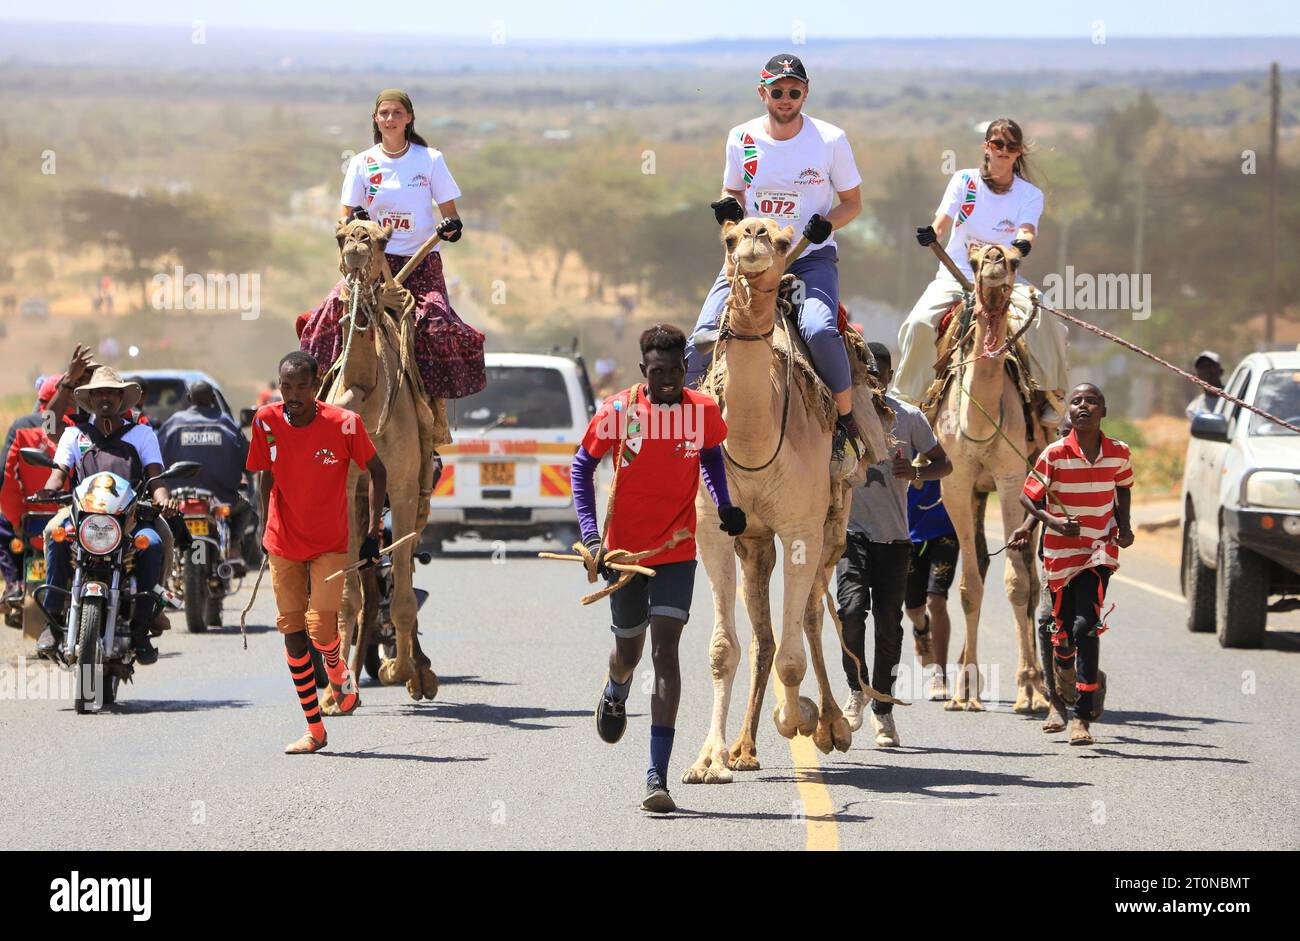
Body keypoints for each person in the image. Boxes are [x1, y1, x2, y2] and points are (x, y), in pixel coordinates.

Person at [571, 324, 745, 813]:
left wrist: (724, 503)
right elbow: (581, 467)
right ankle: (615, 689)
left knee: (666, 651)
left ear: (685, 370)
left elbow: (711, 458)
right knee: (629, 651)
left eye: (675, 371)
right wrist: (591, 536)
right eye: (657, 371)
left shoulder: (702, 411)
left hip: (676, 549)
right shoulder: (619, 412)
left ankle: (657, 775)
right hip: (624, 556)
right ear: (642, 370)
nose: (668, 380)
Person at [684, 54, 865, 476]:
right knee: (702, 338)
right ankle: (684, 433)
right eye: (778, 91)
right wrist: (728, 209)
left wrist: (826, 225)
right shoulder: (741, 137)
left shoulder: (831, 139)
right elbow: (733, 193)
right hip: (750, 257)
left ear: (806, 92)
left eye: (794, 91)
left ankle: (845, 422)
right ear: (762, 92)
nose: (786, 99)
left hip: (806, 257)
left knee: (819, 329)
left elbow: (852, 203)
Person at [300, 88, 485, 406]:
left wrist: (450, 229)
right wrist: (354, 225)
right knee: (326, 319)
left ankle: (432, 423)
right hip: (372, 265)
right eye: (384, 113)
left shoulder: (430, 160)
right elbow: (345, 222)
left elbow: (452, 219)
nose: (390, 119)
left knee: (436, 327)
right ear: (375, 118)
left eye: (397, 113)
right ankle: (317, 404)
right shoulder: (361, 163)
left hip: (421, 263)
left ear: (409, 118)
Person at [247, 351, 387, 754]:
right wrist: (262, 527)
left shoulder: (345, 424)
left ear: (317, 384)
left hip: (329, 543)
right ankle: (315, 729)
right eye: (285, 387)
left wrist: (374, 531)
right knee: (292, 636)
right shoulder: (265, 422)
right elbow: (264, 478)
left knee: (322, 629)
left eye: (301, 387)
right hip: (283, 542)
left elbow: (377, 472)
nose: (292, 395)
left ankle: (339, 673)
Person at [892, 119, 1068, 420]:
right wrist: (932, 233)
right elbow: (943, 220)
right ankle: (908, 399)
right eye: (997, 144)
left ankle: (1050, 397)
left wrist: (1020, 248)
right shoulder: (964, 181)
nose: (1003, 151)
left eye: (1010, 147)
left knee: (1047, 315)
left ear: (1018, 152)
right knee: (919, 323)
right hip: (957, 275)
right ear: (987, 146)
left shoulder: (1029, 195)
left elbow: (1027, 231)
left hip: (1003, 278)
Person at [837, 343, 952, 746]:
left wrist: (917, 470)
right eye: (866, 372)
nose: (875, 379)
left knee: (889, 626)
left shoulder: (909, 417)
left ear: (889, 376)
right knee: (851, 612)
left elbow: (944, 463)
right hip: (852, 536)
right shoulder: (842, 414)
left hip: (897, 538)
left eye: (881, 373)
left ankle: (883, 710)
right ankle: (856, 690)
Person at [1007, 383, 1134, 746]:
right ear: (1069, 413)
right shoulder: (1054, 453)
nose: (1083, 405)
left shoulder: (1119, 453)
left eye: (1092, 400)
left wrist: (1123, 526)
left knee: (1086, 627)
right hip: (1059, 555)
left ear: (1103, 411)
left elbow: (1123, 488)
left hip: (1098, 552)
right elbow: (1028, 496)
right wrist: (1053, 523)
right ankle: (1062, 681)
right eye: (1076, 401)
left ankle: (1081, 716)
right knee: (1058, 631)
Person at [32, 367, 176, 664]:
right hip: (83, 518)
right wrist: (47, 490)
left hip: (131, 520)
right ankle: (52, 622)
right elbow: (58, 474)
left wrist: (164, 500)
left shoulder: (141, 433)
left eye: (111, 392)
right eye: (99, 393)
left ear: (122, 398)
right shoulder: (74, 434)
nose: (105, 398)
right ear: (90, 399)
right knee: (54, 535)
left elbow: (156, 478)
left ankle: (143, 624)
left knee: (157, 542)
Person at [1, 347, 95, 600]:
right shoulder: (73, 428)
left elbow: (7, 478)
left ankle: (13, 584)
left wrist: (16, 518)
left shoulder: (27, 426)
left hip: (32, 515)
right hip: (75, 511)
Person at [157, 381, 258, 566]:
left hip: (176, 501)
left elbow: (155, 460)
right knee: (247, 510)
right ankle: (234, 548)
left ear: (189, 399)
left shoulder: (172, 424)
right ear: (212, 399)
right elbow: (248, 460)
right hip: (221, 499)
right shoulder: (226, 423)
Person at [904, 477, 959, 702]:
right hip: (907, 532)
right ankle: (920, 628)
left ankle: (940, 675)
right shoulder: (896, 441)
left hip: (945, 530)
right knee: (914, 609)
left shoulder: (947, 441)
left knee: (937, 601)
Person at [1185, 350, 1224, 418]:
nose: (1207, 371)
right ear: (1196, 377)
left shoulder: (1236, 397)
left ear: (1220, 371)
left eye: (1210, 366)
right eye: (1202, 367)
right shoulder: (1193, 409)